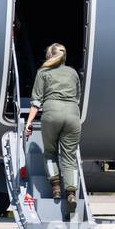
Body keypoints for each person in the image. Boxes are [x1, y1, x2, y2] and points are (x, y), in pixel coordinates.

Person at [22, 43, 83, 217]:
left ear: (49, 55)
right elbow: (77, 97)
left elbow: (36, 102)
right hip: (72, 115)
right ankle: (71, 193)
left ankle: (55, 187)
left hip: (51, 114)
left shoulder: (43, 72)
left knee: (50, 152)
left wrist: (29, 122)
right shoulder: (72, 73)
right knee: (69, 156)